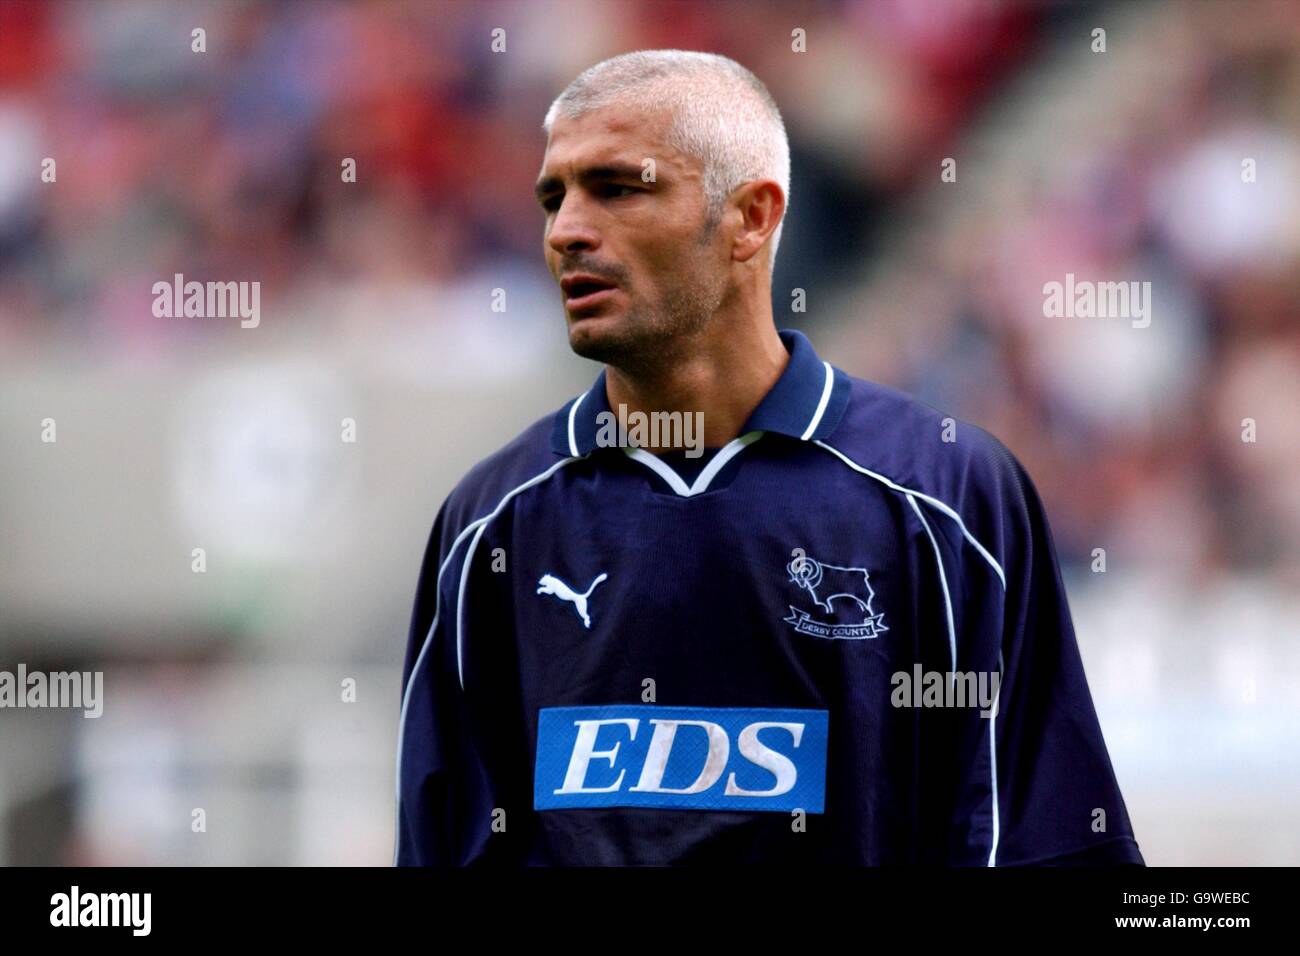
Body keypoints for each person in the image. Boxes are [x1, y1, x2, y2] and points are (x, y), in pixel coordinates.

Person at [395, 50, 1142, 866]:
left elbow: (1050, 845)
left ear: (751, 218)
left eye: (616, 188)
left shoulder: (948, 498)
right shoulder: (490, 524)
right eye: (553, 197)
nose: (565, 231)